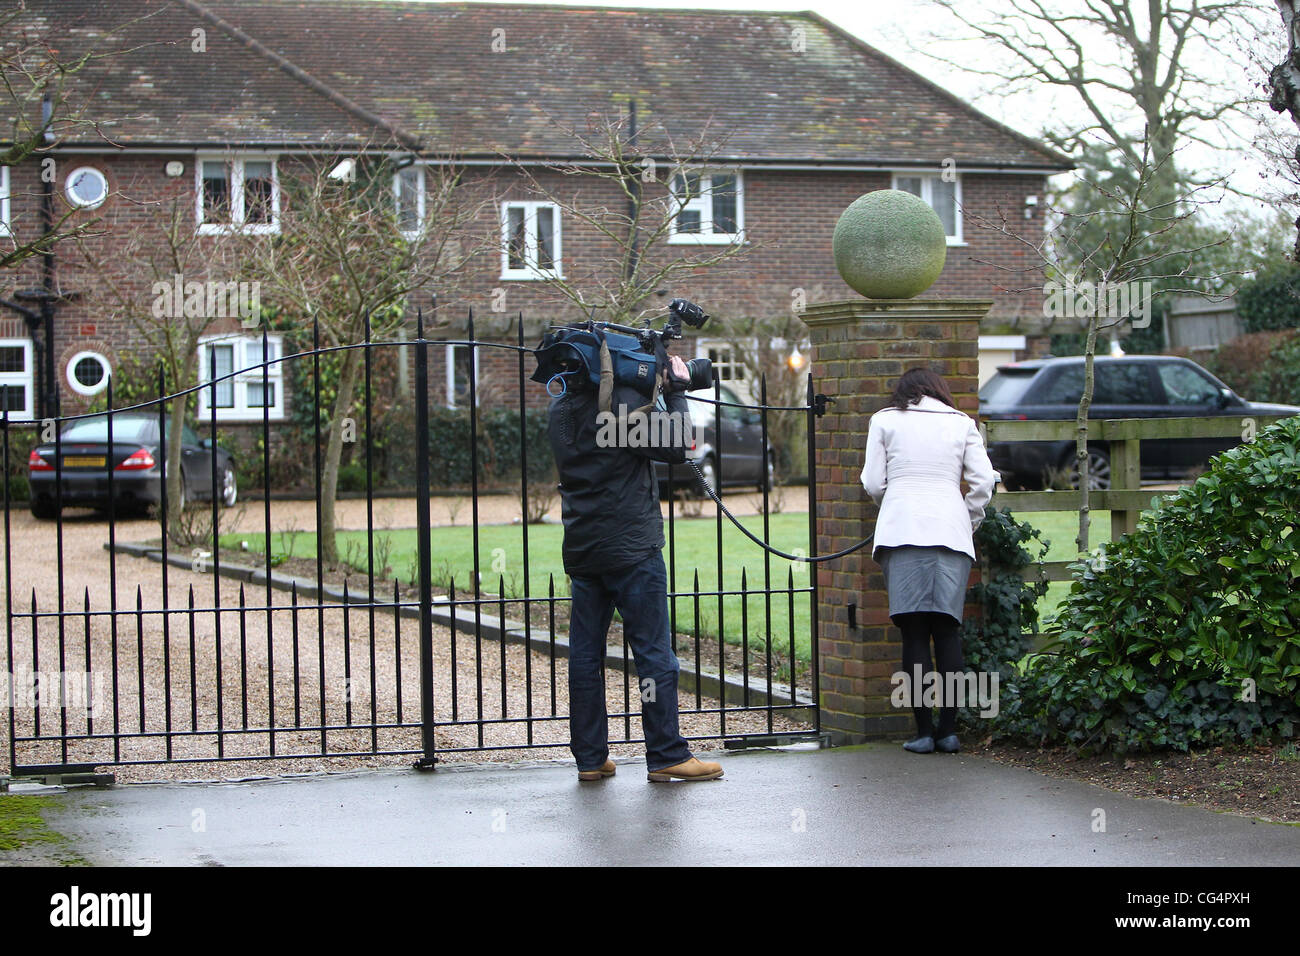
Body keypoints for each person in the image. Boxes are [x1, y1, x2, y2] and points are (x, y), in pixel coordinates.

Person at [548, 345, 724, 783]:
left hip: (584, 546)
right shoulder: (623, 402)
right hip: (632, 547)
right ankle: (666, 753)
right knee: (653, 653)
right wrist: (678, 389)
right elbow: (678, 446)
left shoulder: (561, 406)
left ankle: (590, 757)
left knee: (585, 655)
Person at [859, 368, 999, 754]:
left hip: (901, 533)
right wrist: (968, 517)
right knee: (948, 630)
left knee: (914, 633)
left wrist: (893, 506)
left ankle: (922, 732)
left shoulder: (885, 420)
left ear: (901, 391)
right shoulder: (961, 424)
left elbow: (873, 482)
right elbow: (984, 481)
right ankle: (949, 731)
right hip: (950, 535)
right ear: (939, 391)